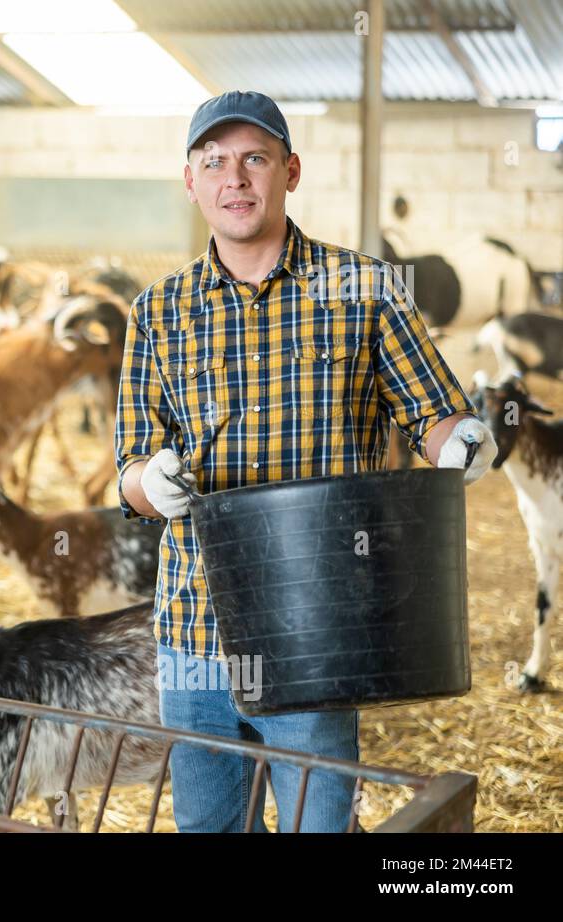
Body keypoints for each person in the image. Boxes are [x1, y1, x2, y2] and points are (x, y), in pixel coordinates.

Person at [114, 90, 496, 832]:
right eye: (214, 161)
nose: (235, 179)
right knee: (211, 827)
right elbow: (127, 468)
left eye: (255, 158)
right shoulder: (157, 312)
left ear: (290, 171)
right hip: (195, 629)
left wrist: (459, 443)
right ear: (189, 181)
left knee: (318, 825)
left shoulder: (365, 287)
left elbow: (429, 415)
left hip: (318, 627)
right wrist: (148, 482)